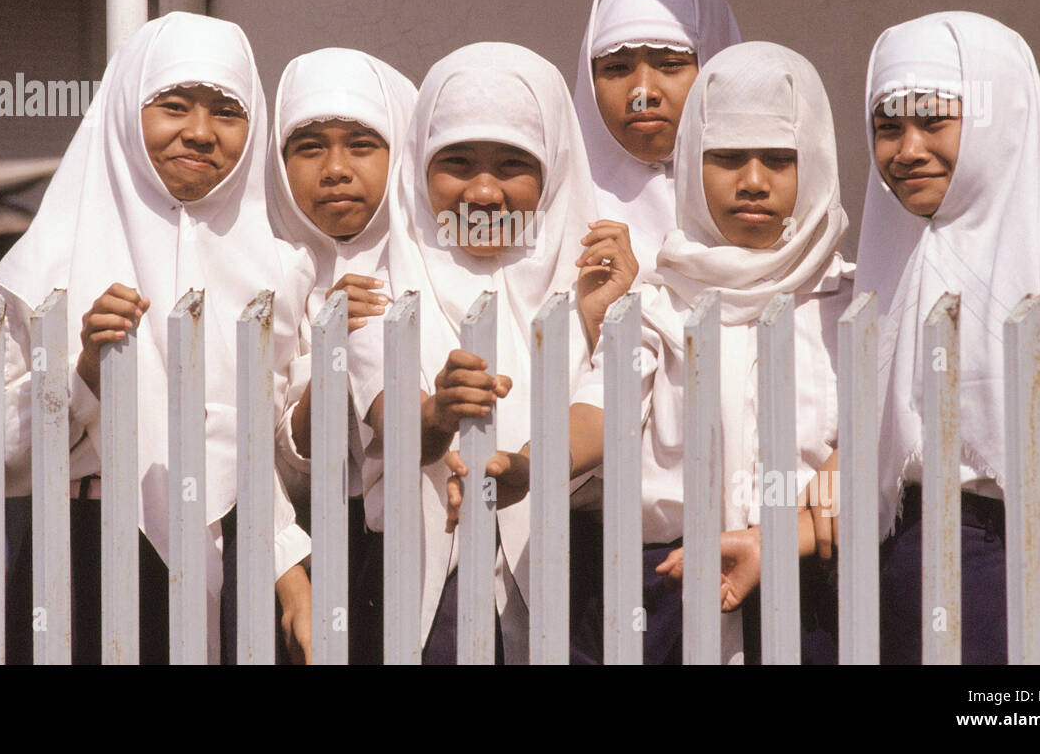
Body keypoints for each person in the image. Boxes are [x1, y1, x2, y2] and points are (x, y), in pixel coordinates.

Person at [0, 12, 315, 664]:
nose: (200, 132)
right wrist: (85, 371)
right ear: (125, 108)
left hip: (232, 557)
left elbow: (259, 454)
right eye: (173, 104)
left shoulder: (279, 268)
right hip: (83, 549)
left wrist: (290, 573)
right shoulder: (45, 268)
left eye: (227, 110)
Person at [481, 41, 851, 663]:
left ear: (813, 163)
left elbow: (881, 433)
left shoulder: (850, 304)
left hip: (814, 589)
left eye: (779, 160)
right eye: (727, 158)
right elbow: (603, 411)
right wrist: (531, 465)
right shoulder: (659, 302)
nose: (753, 182)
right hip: (669, 591)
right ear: (689, 164)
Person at [852, 10, 1040, 664]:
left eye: (934, 120)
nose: (907, 149)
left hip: (1015, 566)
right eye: (887, 127)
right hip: (898, 563)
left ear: (999, 120)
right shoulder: (887, 262)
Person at [355, 41, 599, 664]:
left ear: (554, 168)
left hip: (572, 593)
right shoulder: (374, 294)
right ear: (417, 167)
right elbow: (390, 416)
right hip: (422, 597)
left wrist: (527, 469)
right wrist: (437, 417)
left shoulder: (595, 293)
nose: (485, 193)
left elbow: (608, 412)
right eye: (457, 161)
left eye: (514, 162)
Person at [268, 47, 417, 664]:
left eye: (361, 144)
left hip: (426, 543)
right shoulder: (263, 270)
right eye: (308, 147)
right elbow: (269, 458)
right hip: (302, 550)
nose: (334, 169)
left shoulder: (439, 268)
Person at [573, 0, 740, 282]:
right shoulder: (553, 213)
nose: (642, 92)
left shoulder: (768, 205)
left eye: (671, 64)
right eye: (616, 68)